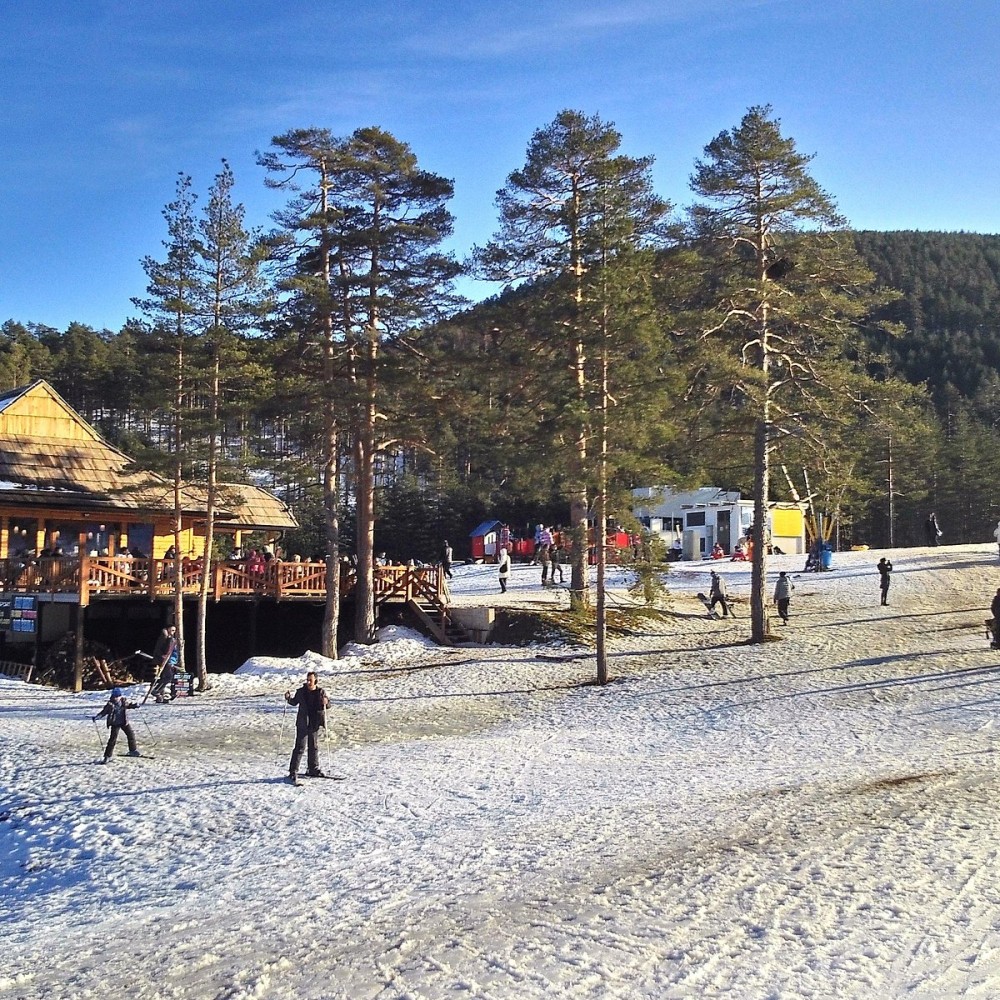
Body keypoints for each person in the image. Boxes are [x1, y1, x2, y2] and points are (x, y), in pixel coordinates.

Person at [284, 671, 330, 783]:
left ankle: (312, 769)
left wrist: (326, 702)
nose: (309, 682)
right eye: (308, 680)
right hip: (302, 723)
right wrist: (288, 699)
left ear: (316, 681)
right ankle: (293, 771)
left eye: (311, 680)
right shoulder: (301, 692)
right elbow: (294, 702)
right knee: (300, 747)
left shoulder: (320, 692)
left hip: (314, 723)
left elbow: (327, 705)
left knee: (313, 746)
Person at [93, 687, 142, 762]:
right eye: (114, 696)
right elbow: (103, 712)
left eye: (117, 696)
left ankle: (133, 750)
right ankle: (107, 756)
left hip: (124, 722)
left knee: (131, 735)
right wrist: (97, 717)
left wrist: (135, 705)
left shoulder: (123, 701)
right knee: (112, 740)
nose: (116, 698)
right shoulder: (110, 704)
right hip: (115, 724)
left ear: (120, 696)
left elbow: (129, 705)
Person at [149, 624, 179, 702]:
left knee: (166, 677)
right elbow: (165, 650)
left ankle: (160, 697)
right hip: (165, 661)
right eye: (172, 630)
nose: (173, 632)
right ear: (168, 629)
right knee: (168, 677)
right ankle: (156, 690)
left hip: (170, 660)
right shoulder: (165, 638)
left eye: (174, 631)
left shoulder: (168, 638)